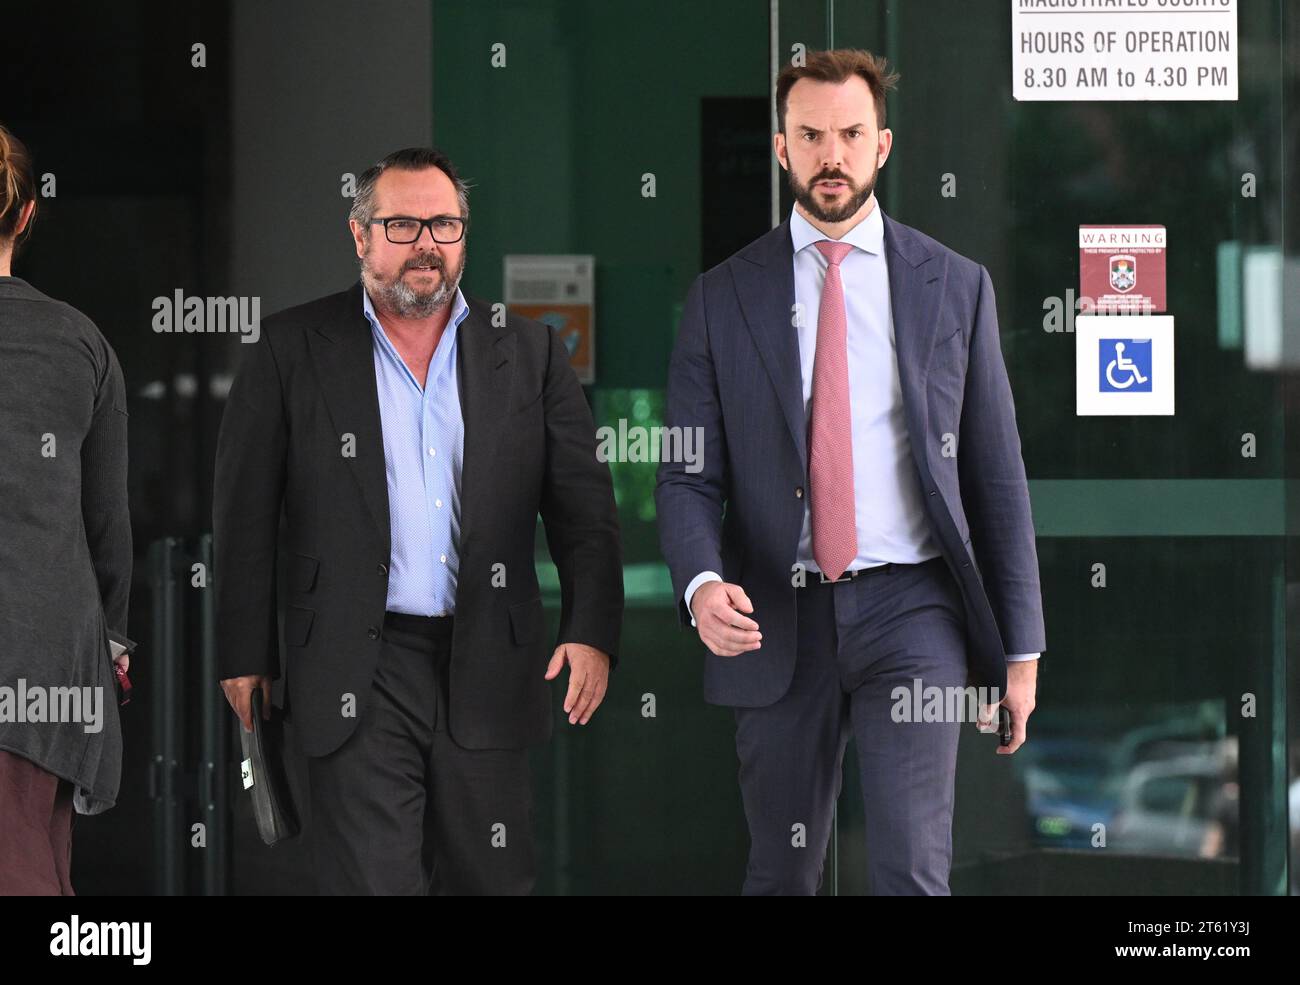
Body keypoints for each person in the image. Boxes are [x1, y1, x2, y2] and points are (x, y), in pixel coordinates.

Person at [655, 49, 1046, 895]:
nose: (832, 154)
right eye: (811, 134)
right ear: (781, 148)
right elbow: (686, 474)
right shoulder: (721, 298)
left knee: (909, 867)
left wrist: (1022, 650)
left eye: (850, 133)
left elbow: (996, 476)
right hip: (775, 611)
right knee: (785, 869)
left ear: (883, 145)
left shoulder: (956, 287)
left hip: (915, 612)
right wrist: (700, 583)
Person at [213, 147, 623, 895]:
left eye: (443, 223)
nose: (425, 243)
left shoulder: (526, 351)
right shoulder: (290, 349)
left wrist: (591, 627)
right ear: (360, 235)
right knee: (375, 882)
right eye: (401, 224)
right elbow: (243, 515)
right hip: (354, 667)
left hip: (488, 662)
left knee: (491, 879)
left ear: (464, 237)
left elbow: (585, 509)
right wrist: (245, 652)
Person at [0, 123, 135, 895]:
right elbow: (107, 526)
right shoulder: (79, 342)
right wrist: (110, 640)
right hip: (46, 662)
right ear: (24, 216)